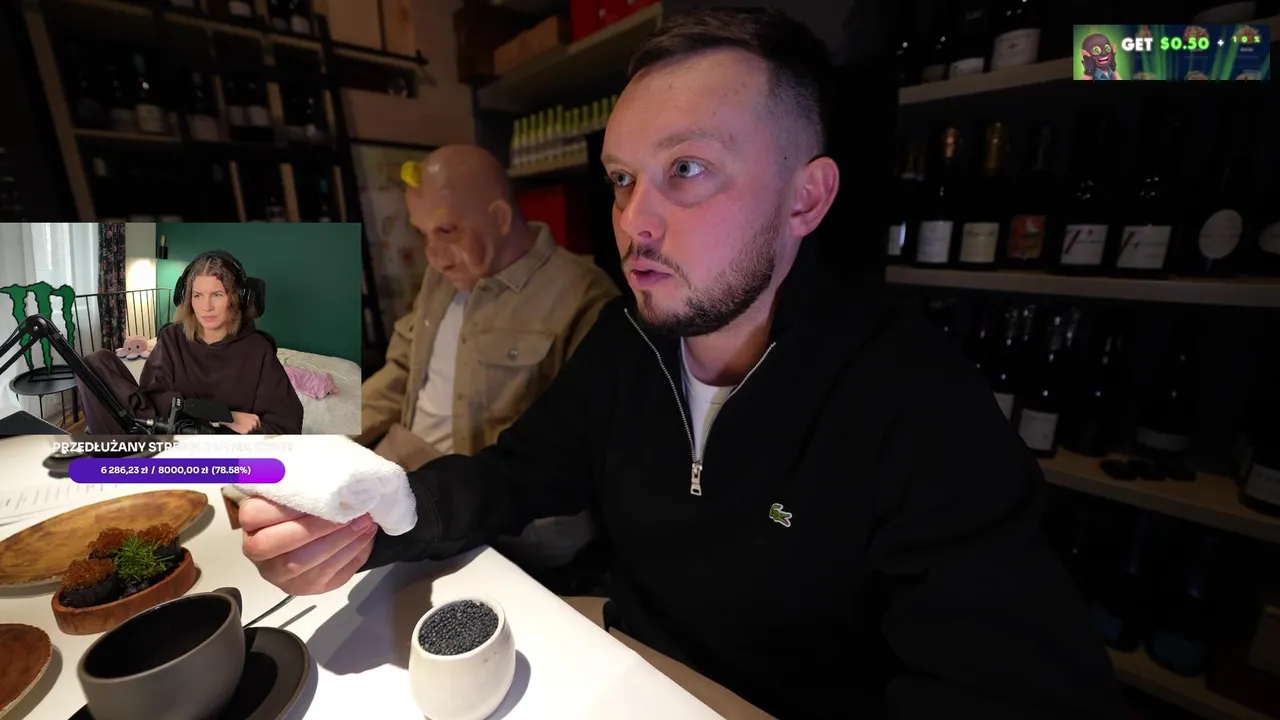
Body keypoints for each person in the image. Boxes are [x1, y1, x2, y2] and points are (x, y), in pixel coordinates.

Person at [238, 9, 1126, 718]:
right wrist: (381, 517)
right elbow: (519, 471)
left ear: (806, 198)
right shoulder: (628, 345)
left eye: (688, 169)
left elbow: (1013, 687)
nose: (635, 222)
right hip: (628, 672)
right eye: (623, 179)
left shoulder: (916, 401)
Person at [357, 144, 619, 569]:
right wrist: (322, 434)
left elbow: (574, 457)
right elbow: (403, 369)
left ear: (500, 218)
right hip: (405, 472)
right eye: (422, 234)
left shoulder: (581, 296)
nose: (433, 255)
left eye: (447, 231)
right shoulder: (442, 277)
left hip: (498, 514)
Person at [81, 250, 303, 435]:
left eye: (217, 294)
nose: (206, 307)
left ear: (239, 298)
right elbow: (153, 400)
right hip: (167, 433)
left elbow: (285, 423)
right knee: (95, 363)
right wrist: (224, 415)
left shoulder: (257, 349)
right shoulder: (172, 337)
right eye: (197, 295)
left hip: (219, 449)